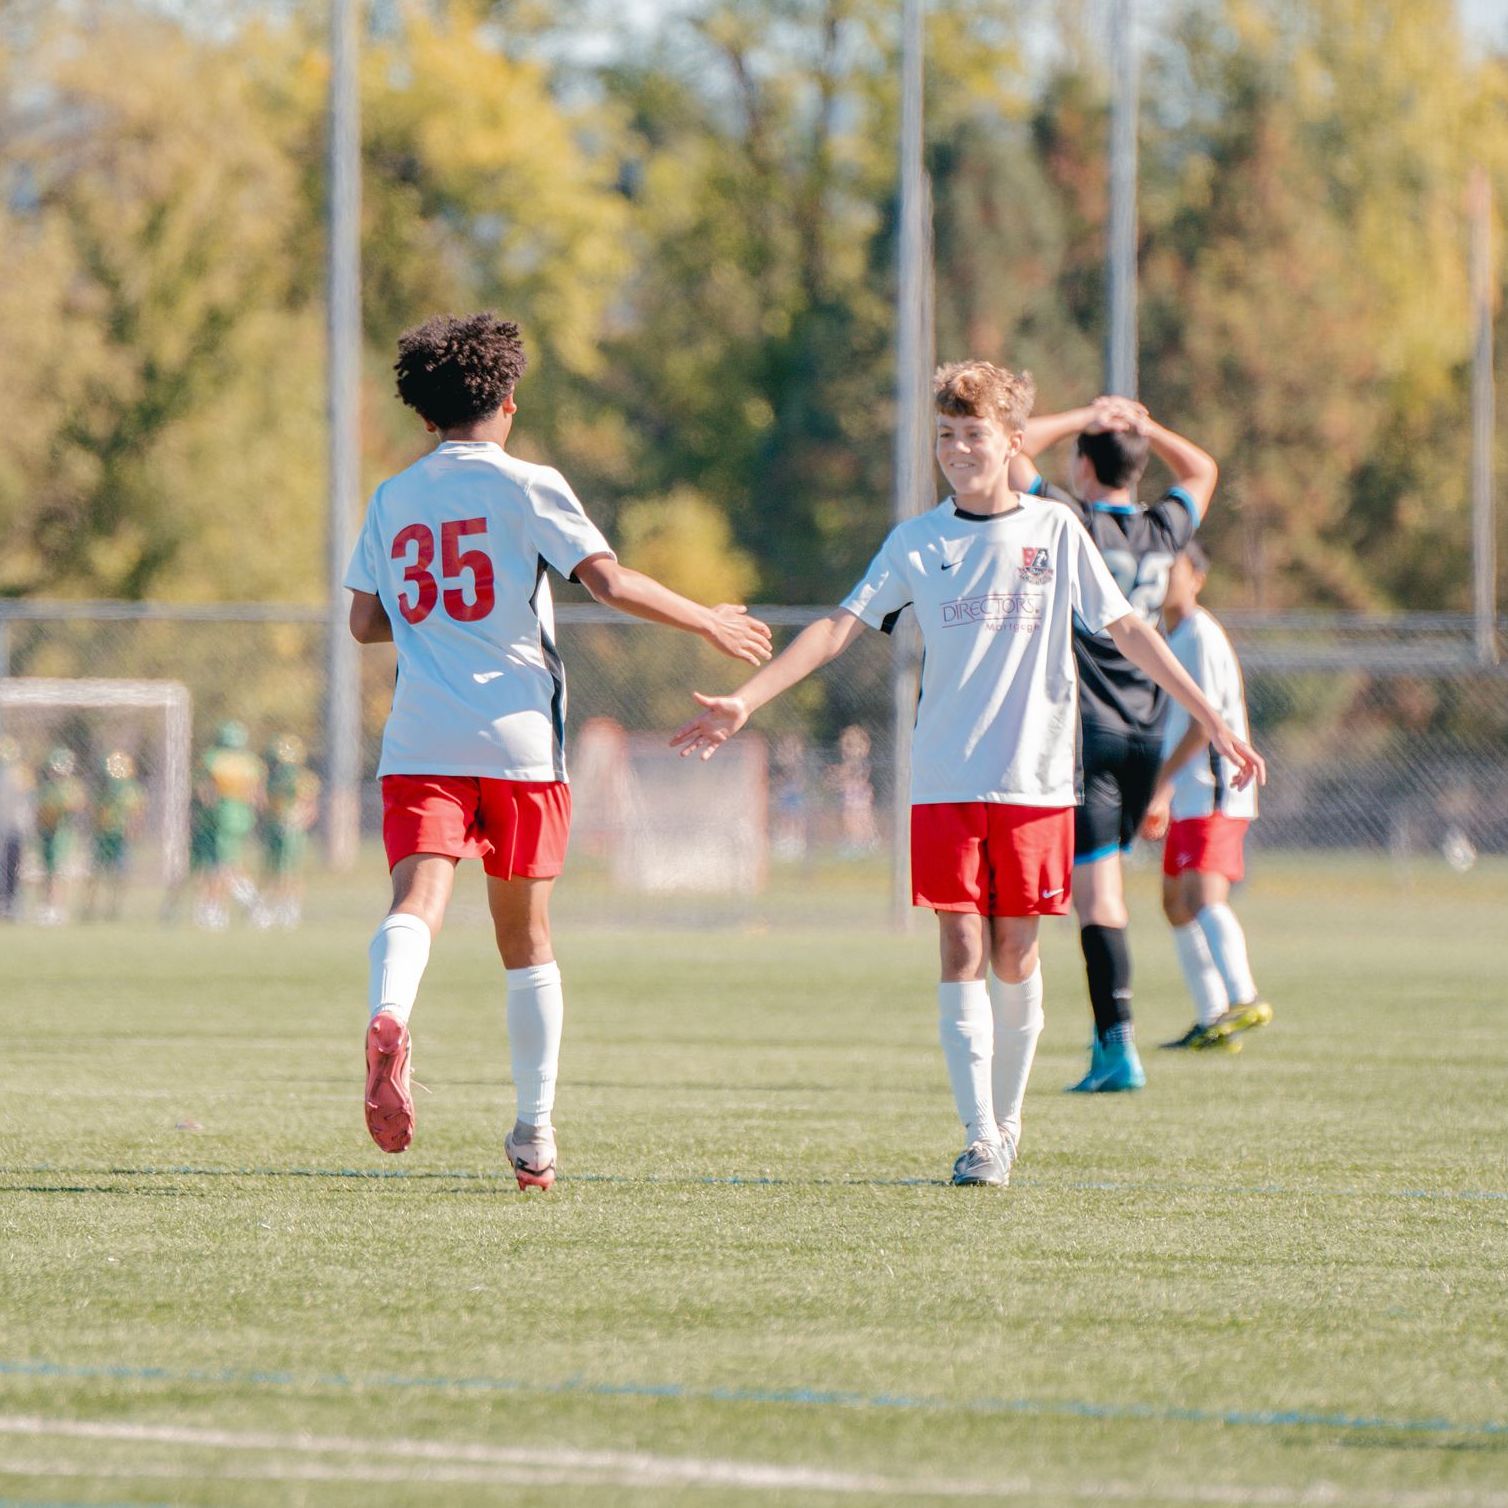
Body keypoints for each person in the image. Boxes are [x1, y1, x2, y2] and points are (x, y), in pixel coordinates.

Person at [672, 361, 1263, 1187]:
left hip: (1034, 784)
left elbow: (1128, 629)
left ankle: (1010, 1117)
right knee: (959, 941)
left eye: (974, 434)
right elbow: (839, 629)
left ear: (1013, 442)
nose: (956, 450)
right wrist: (746, 700)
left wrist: (1207, 714)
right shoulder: (917, 541)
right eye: (944, 435)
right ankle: (981, 1134)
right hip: (946, 781)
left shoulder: (1057, 532)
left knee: (1017, 951)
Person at [345, 311, 772, 1189]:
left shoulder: (392, 498)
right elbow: (608, 581)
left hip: (422, 733)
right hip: (518, 741)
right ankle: (534, 1133)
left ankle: (391, 1014)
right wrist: (706, 619)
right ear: (508, 401)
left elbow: (362, 621)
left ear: (424, 416)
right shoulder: (528, 484)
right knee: (526, 936)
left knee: (417, 895)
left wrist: (435, 625)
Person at [1008, 395, 1220, 1094]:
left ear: (1083, 466)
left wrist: (1083, 417)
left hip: (1086, 732)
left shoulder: (1074, 520)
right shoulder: (1164, 529)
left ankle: (1115, 1048)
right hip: (1146, 734)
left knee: (1098, 899)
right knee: (1106, 893)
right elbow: (1203, 467)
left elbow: (1010, 451)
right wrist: (1145, 426)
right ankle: (1113, 1042)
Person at [1140, 543, 1271, 1048]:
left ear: (1196, 577)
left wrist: (1162, 787)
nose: (1163, 578)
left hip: (1214, 789)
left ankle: (1244, 997)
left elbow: (1204, 725)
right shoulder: (1162, 635)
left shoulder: (1201, 634)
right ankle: (1213, 1017)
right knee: (1175, 902)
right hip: (1186, 795)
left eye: (1172, 568)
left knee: (1201, 895)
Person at [190, 722, 265, 929]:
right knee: (225, 865)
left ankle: (239, 906)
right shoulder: (251, 762)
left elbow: (205, 793)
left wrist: (205, 812)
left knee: (221, 867)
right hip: (241, 817)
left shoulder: (213, 759)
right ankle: (226, 907)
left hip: (220, 817)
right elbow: (257, 795)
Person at [259, 734, 320, 928]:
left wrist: (297, 820)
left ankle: (290, 908)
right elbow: (265, 803)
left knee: (291, 871)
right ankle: (270, 906)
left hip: (293, 831)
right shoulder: (272, 779)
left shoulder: (303, 778)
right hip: (275, 828)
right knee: (272, 869)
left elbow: (310, 808)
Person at [85, 750, 146, 922]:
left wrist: (134, 829)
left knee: (120, 874)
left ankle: (114, 908)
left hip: (120, 836)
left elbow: (137, 812)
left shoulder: (131, 788)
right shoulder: (103, 787)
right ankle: (89, 907)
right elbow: (94, 810)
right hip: (103, 835)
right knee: (96, 872)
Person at [34, 746, 87, 924]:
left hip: (62, 833)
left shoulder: (72, 786)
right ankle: (46, 905)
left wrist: (62, 807)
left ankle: (57, 908)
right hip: (46, 833)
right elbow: (40, 810)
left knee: (57, 871)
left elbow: (77, 805)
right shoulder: (48, 787)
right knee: (47, 871)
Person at [0, 737, 32, 922]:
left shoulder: (22, 774)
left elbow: (28, 802)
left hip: (15, 828)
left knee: (13, 867)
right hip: (6, 827)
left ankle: (11, 904)